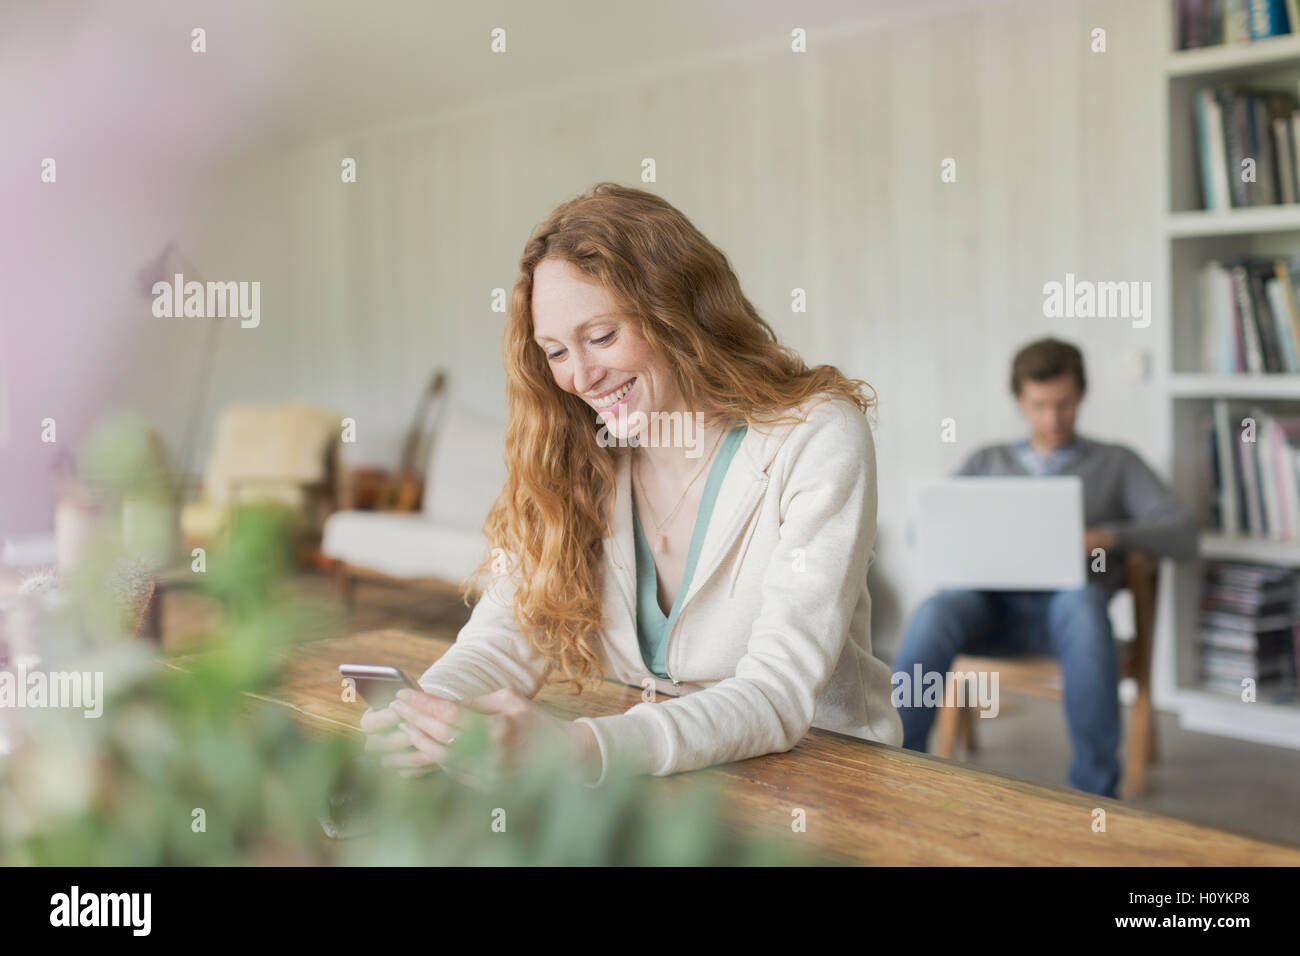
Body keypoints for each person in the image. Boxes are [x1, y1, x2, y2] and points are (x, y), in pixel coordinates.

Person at [361, 182, 902, 786]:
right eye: (556, 351)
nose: (582, 377)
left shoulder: (815, 435)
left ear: (679, 311)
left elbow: (777, 691)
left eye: (602, 337)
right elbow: (503, 639)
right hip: (661, 775)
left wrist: (576, 748)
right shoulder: (575, 458)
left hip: (824, 778)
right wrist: (424, 713)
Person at [892, 337, 1198, 798]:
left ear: (1082, 397)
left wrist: (1107, 537)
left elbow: (1182, 532)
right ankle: (900, 768)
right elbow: (930, 534)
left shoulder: (1117, 464)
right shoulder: (987, 461)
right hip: (986, 615)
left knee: (1080, 603)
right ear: (1020, 401)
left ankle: (1095, 794)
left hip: (1071, 626)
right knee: (936, 609)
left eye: (1064, 405)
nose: (1052, 419)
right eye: (1039, 406)